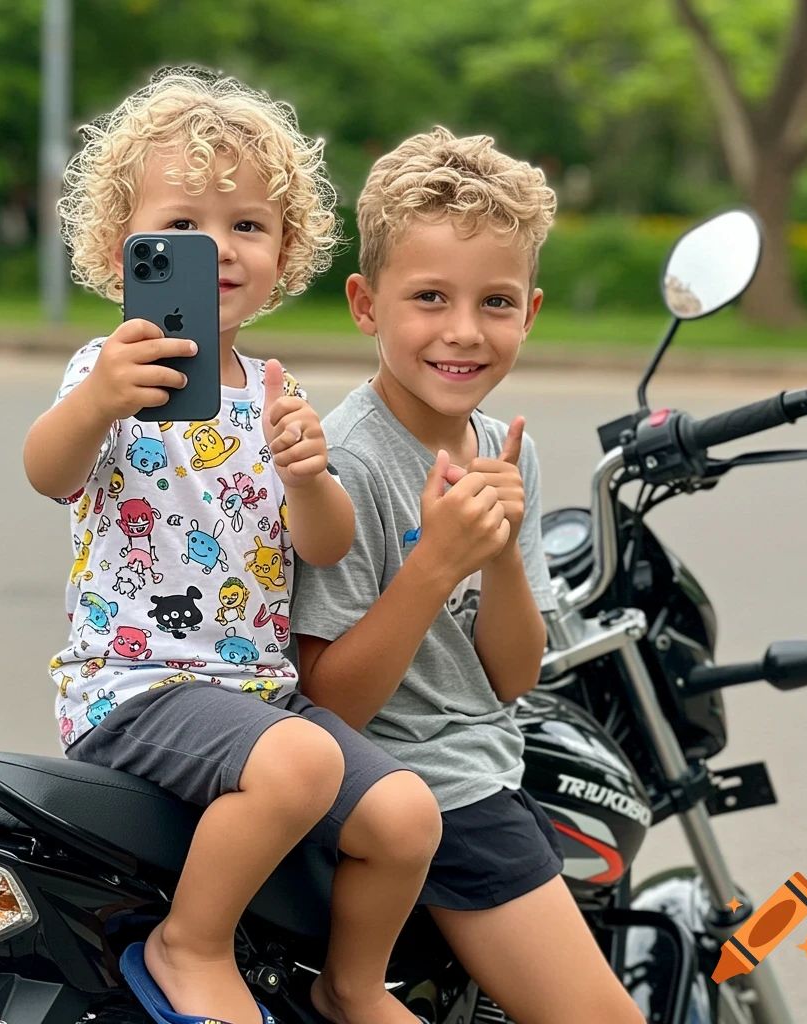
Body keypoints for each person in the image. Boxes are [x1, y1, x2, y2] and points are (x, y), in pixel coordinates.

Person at [24, 68, 442, 1024]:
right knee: (302, 764)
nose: (216, 248)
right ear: (124, 244)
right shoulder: (109, 365)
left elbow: (323, 546)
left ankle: (349, 986)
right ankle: (189, 944)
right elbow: (49, 472)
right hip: (135, 685)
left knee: (406, 816)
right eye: (184, 224)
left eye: (247, 225)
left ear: (285, 250)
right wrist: (95, 402)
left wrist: (310, 475)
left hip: (254, 691)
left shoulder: (274, 386)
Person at [291, 127, 645, 1024]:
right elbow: (330, 703)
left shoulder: (499, 447)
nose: (462, 331)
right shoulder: (352, 465)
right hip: (432, 788)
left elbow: (514, 675)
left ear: (529, 312)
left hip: (484, 761)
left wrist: (499, 558)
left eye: (494, 301)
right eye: (429, 298)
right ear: (367, 305)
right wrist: (434, 564)